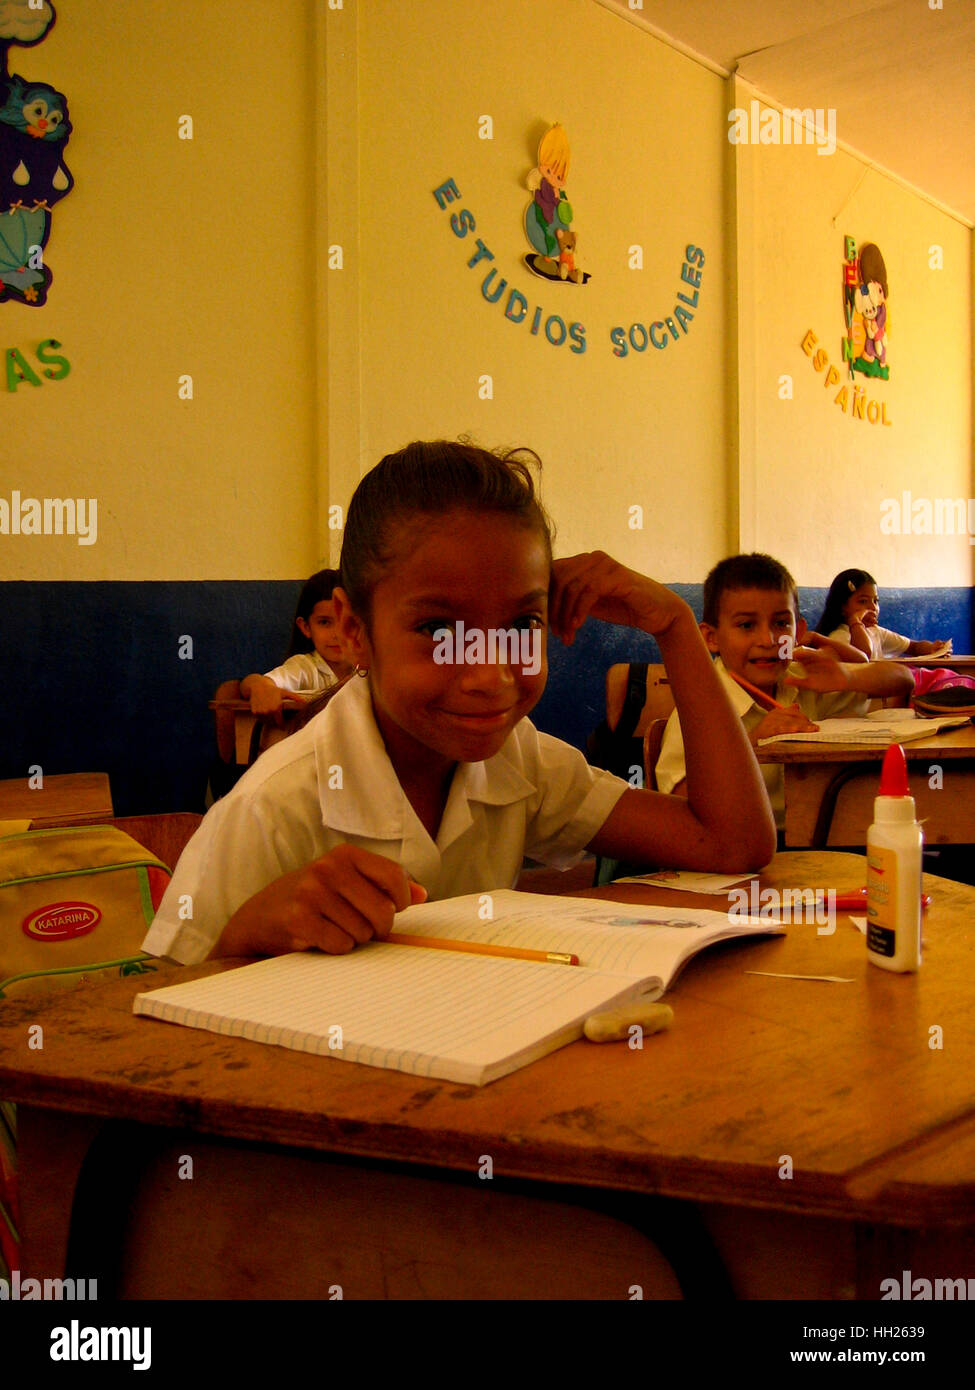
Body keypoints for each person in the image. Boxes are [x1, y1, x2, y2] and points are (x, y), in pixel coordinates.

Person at [143, 441, 775, 965]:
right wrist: (247, 934)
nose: (489, 676)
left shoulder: (517, 762)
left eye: (521, 626)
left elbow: (729, 843)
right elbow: (143, 1014)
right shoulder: (271, 809)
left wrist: (674, 626)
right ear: (354, 628)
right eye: (440, 631)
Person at [655, 553, 914, 826]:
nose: (767, 640)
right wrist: (751, 744)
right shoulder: (698, 710)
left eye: (781, 624)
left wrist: (847, 677)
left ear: (798, 632)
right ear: (712, 638)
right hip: (737, 856)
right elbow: (681, 805)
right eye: (746, 625)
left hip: (815, 845)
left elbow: (903, 678)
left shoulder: (804, 681)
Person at [239, 568, 353, 719]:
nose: (337, 634)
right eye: (324, 622)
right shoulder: (305, 668)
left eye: (345, 620)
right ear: (305, 627)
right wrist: (259, 687)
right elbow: (256, 683)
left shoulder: (367, 668)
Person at [815, 569, 951, 660]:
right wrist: (855, 621)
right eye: (863, 601)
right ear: (842, 606)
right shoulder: (839, 637)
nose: (873, 607)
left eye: (876, 601)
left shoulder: (875, 632)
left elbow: (913, 646)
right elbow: (863, 656)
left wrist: (932, 649)